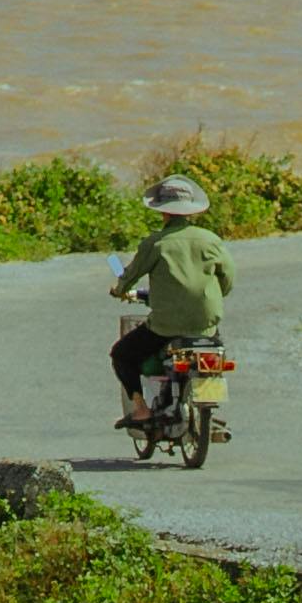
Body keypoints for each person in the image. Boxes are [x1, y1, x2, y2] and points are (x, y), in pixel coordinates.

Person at [111, 173, 236, 426]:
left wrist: (119, 289)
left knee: (122, 354)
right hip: (206, 321)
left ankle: (141, 409)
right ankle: (206, 406)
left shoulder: (155, 243)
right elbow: (228, 280)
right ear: (191, 210)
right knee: (214, 349)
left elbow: (129, 276)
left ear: (163, 212)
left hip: (165, 325)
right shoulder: (211, 240)